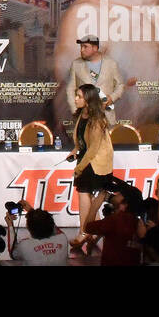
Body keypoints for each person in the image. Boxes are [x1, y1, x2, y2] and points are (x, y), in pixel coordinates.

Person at [63, 83, 113, 254]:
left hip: (96, 162)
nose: (76, 99)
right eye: (76, 95)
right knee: (87, 196)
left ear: (88, 100)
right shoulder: (81, 115)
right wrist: (74, 152)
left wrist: (80, 167)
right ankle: (94, 230)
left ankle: (84, 231)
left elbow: (93, 148)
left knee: (84, 193)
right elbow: (82, 143)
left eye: (79, 96)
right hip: (86, 159)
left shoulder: (97, 120)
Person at [65, 35, 131, 126]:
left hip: (106, 117)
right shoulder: (76, 64)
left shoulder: (111, 63)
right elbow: (70, 89)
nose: (81, 50)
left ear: (95, 48)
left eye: (85, 47)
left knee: (106, 140)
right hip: (84, 118)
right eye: (81, 47)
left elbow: (120, 85)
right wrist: (75, 110)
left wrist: (112, 98)